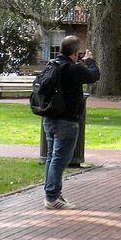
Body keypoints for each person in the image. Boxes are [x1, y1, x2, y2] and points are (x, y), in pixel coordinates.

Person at [42, 35, 99, 210]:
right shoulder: (74, 69)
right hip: (66, 121)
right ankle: (52, 197)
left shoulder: (52, 65)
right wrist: (90, 61)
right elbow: (94, 76)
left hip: (49, 117)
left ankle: (53, 194)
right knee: (59, 159)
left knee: (52, 158)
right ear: (75, 52)